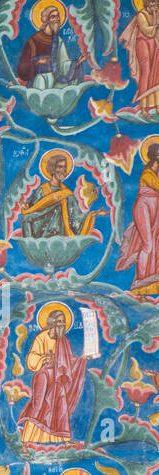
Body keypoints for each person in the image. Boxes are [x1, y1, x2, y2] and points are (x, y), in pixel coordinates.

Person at [17, 303, 85, 445]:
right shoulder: (42, 338)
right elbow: (31, 358)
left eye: (63, 322)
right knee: (39, 406)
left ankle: (64, 440)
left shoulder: (64, 340)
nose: (62, 324)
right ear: (52, 322)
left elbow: (68, 361)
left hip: (57, 377)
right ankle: (25, 441)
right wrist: (43, 359)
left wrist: (82, 359)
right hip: (43, 376)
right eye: (59, 321)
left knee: (61, 406)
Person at [19, 151, 97, 238]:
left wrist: (90, 216)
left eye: (65, 167)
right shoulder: (42, 191)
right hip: (43, 236)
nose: (63, 171)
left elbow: (75, 217)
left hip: (62, 237)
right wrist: (27, 209)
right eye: (59, 167)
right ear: (52, 168)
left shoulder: (68, 194)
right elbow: (33, 213)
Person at [119, 141, 159, 295]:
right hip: (144, 210)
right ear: (155, 156)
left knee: (155, 246)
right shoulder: (148, 173)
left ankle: (151, 279)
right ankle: (141, 282)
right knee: (148, 245)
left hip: (155, 210)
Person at [16, 1, 86, 87]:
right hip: (40, 79)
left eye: (58, 16)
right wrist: (37, 62)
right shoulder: (33, 41)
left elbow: (63, 63)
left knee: (64, 88)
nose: (56, 19)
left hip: (56, 79)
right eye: (53, 16)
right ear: (46, 20)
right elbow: (22, 68)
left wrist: (76, 63)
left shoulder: (58, 41)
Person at [124, 0, 159, 110]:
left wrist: (155, 17)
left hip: (154, 45)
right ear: (147, 4)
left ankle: (157, 105)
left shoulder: (156, 14)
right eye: (153, 4)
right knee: (146, 72)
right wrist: (155, 23)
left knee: (156, 74)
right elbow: (148, 32)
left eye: (157, 4)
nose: (156, 7)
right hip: (143, 44)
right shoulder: (141, 15)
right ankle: (143, 107)